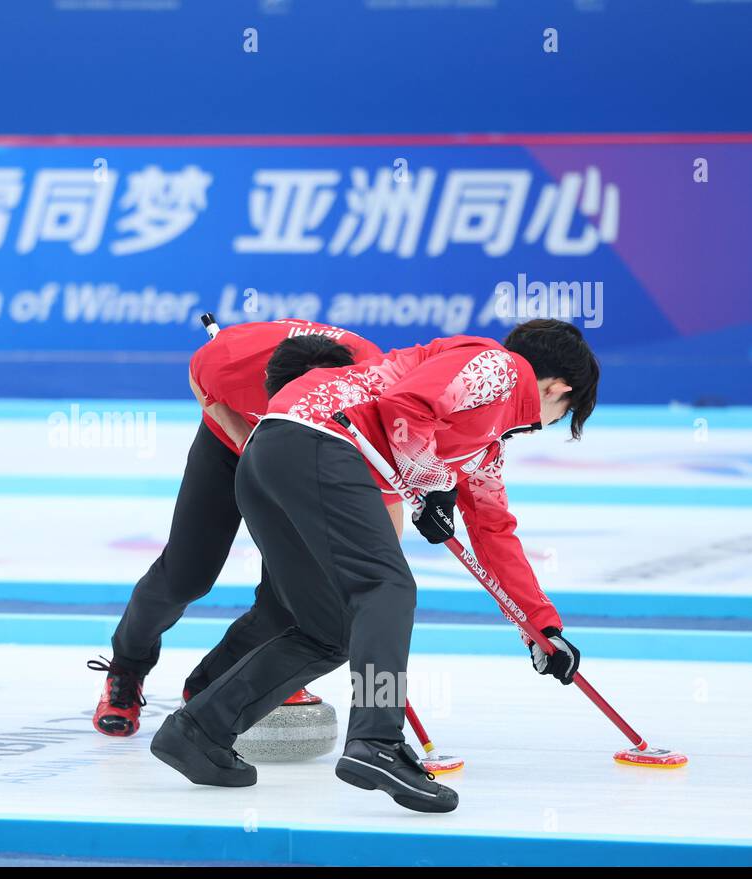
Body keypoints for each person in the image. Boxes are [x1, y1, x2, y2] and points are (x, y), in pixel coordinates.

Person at [150, 319, 600, 814]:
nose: (551, 423)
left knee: (331, 630)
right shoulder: (499, 366)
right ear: (560, 388)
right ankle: (378, 742)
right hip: (317, 439)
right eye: (564, 414)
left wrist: (540, 627)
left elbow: (493, 534)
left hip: (272, 452)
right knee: (387, 588)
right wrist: (429, 481)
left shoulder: (484, 449)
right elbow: (405, 406)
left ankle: (199, 730)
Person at [89, 319, 384, 736]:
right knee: (185, 577)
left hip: (311, 459)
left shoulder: (372, 384)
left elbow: (384, 497)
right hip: (231, 443)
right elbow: (201, 384)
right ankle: (126, 667)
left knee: (291, 597)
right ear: (269, 383)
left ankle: (211, 684)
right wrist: (248, 445)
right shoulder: (225, 361)